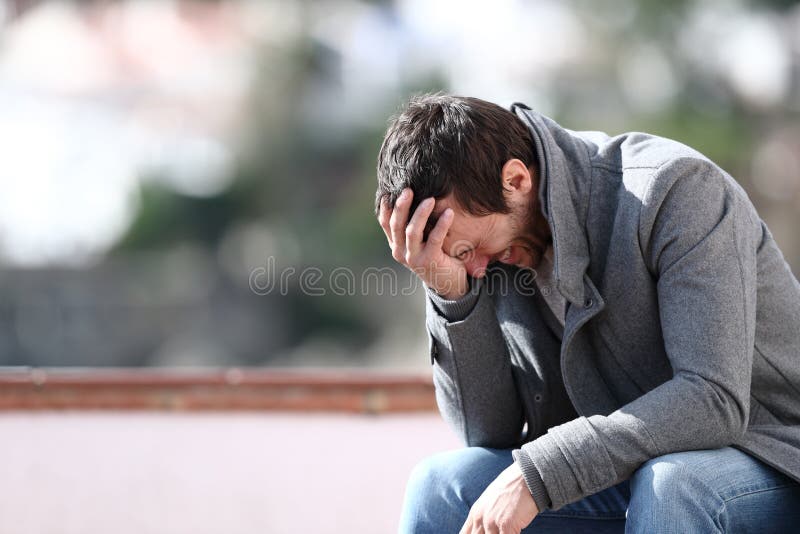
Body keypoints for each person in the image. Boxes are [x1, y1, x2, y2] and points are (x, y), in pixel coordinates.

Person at [375, 93, 800, 533]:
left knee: (673, 485)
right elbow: (488, 434)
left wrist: (542, 472)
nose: (475, 268)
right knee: (440, 489)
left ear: (516, 180)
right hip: (627, 469)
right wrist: (450, 294)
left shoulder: (675, 190)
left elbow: (713, 402)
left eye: (466, 248)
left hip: (771, 452)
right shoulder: (492, 252)